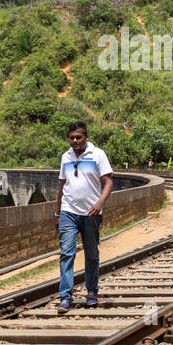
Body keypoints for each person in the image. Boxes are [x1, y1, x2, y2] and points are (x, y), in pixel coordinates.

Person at [54, 121, 113, 312]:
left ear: (86, 137)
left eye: (78, 137)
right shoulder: (66, 157)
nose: (75, 141)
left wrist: (99, 204)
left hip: (91, 214)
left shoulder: (98, 154)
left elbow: (108, 182)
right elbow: (62, 186)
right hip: (68, 212)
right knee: (66, 254)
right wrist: (57, 213)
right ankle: (65, 297)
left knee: (91, 254)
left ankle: (92, 292)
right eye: (72, 138)